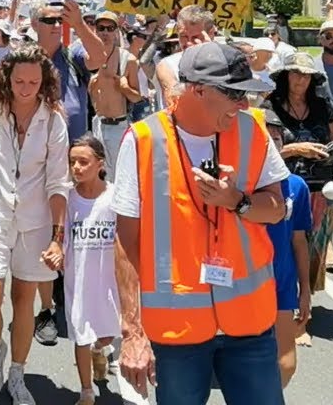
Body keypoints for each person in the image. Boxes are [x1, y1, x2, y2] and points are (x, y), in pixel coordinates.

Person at [114, 41, 289, 405]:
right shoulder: (143, 140)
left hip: (249, 324)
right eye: (235, 95)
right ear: (198, 90)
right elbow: (126, 242)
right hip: (177, 331)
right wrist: (133, 331)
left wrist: (236, 202)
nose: (244, 105)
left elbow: (276, 209)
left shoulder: (252, 130)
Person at [0, 44, 70, 404]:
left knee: (24, 301)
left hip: (34, 222)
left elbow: (57, 182)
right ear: (7, 78)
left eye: (33, 81)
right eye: (19, 80)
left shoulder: (53, 120)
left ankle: (18, 373)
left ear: (44, 81)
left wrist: (56, 236)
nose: (25, 87)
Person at [25, 0, 108, 346]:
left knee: (77, 228)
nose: (56, 24)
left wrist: (82, 24)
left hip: (77, 159)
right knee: (48, 229)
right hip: (40, 159)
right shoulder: (26, 59)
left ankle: (79, 302)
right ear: (34, 25)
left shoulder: (73, 55)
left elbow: (100, 57)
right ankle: (47, 309)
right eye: (49, 19)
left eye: (60, 19)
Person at [64, 135, 121, 405]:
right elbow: (59, 235)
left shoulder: (115, 196)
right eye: (72, 161)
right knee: (80, 334)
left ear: (99, 163)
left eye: (83, 162)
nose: (76, 167)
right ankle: (86, 391)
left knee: (108, 330)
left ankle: (101, 349)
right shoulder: (67, 199)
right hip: (78, 277)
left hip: (108, 278)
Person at [259, 110, 312, 388]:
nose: (272, 144)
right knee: (248, 363)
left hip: (282, 283)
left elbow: (299, 242)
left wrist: (306, 291)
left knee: (286, 363)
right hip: (249, 283)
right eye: (265, 139)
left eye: (277, 139)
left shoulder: (296, 187)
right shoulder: (242, 187)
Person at [88, 12, 143, 180]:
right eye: (101, 28)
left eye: (110, 28)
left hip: (118, 125)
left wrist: (124, 88)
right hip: (98, 124)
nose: (105, 32)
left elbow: (137, 98)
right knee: (99, 175)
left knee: (121, 176)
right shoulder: (88, 58)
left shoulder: (129, 60)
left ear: (116, 31)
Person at [155, 6, 218, 101]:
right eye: (183, 36)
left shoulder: (229, 61)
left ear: (211, 33)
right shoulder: (167, 66)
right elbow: (175, 101)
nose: (188, 43)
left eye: (195, 37)